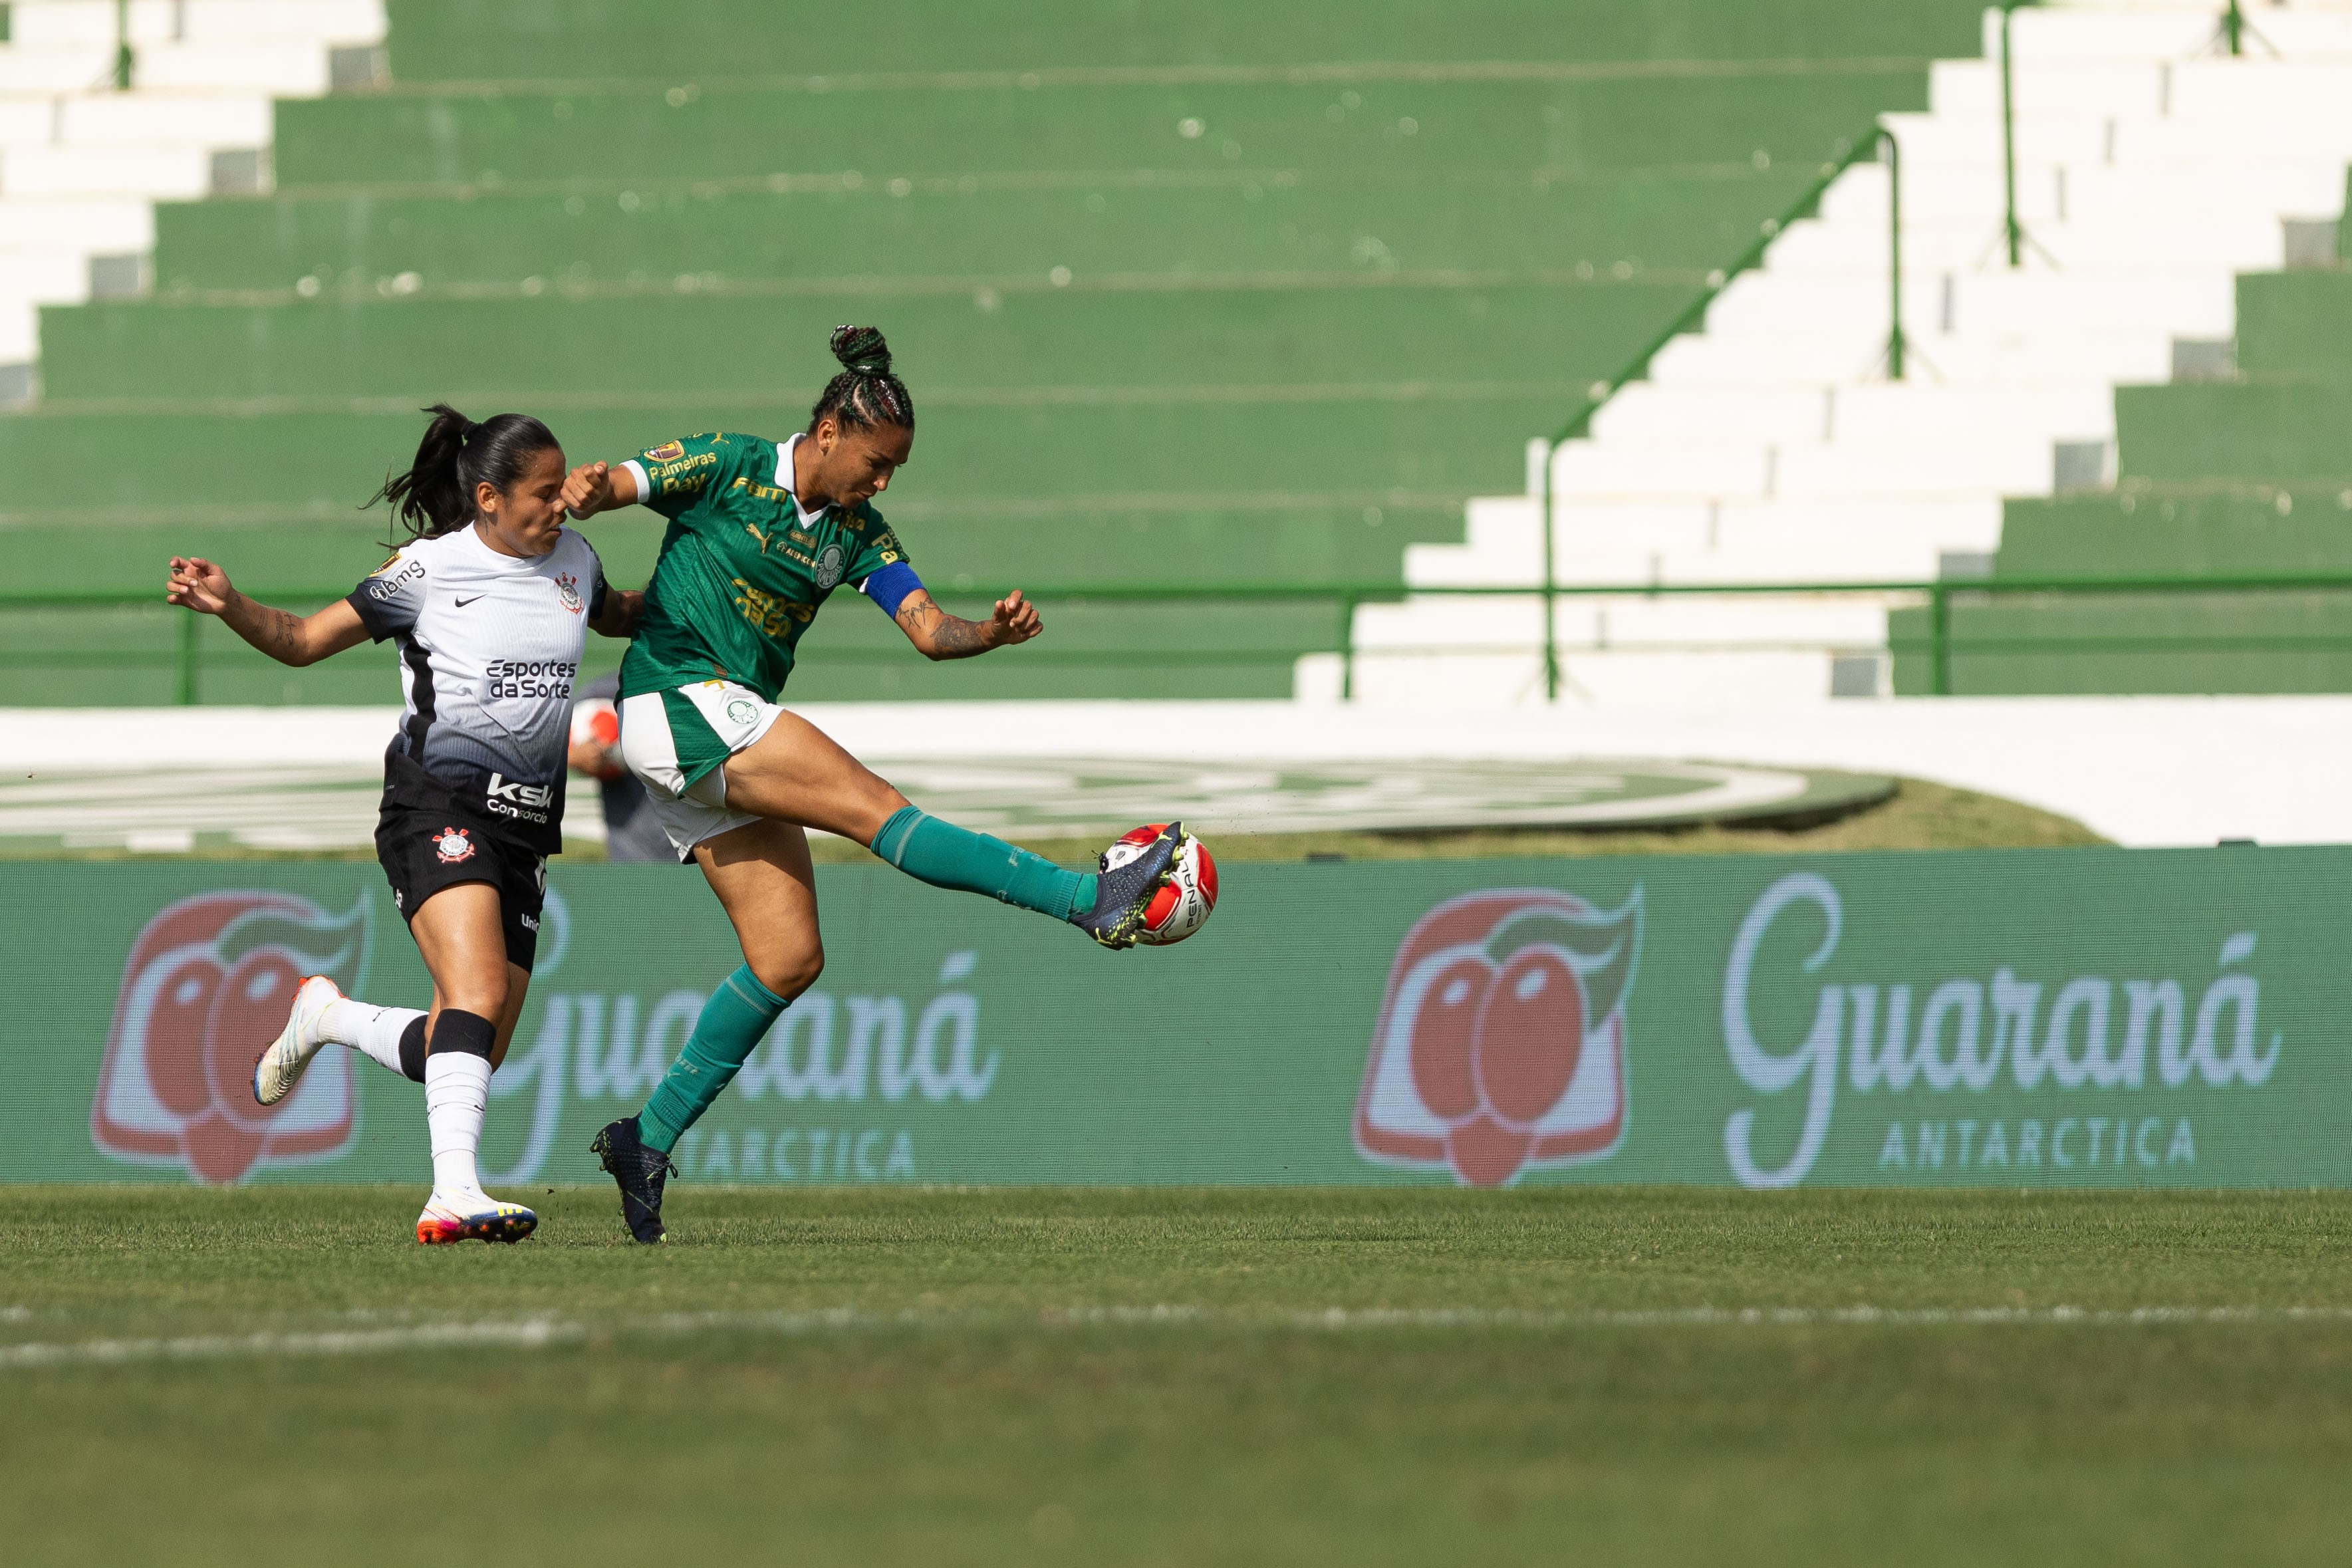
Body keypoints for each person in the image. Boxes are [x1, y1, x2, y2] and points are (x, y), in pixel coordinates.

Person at [559, 324, 1186, 1243]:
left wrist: (991, 632)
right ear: (826, 432)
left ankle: (644, 1138)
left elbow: (930, 629)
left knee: (787, 957)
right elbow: (620, 482)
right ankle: (1089, 898)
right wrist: (589, 487)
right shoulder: (729, 463)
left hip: (710, 741)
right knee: (876, 810)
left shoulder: (857, 532)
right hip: (676, 701)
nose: (883, 480)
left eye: (896, 467)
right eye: (877, 460)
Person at [166, 404, 642, 1243]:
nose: (560, 504)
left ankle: (329, 1019)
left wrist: (723, 588)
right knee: (476, 995)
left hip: (528, 827)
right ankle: (453, 1193)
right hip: (435, 804)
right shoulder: (425, 570)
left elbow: (617, 615)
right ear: (488, 497)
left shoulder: (575, 558)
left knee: (474, 1047)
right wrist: (231, 601)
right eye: (541, 492)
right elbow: (305, 639)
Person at [569, 672, 674, 862]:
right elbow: (562, 733)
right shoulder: (609, 686)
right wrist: (574, 756)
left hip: (696, 832)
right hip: (631, 844)